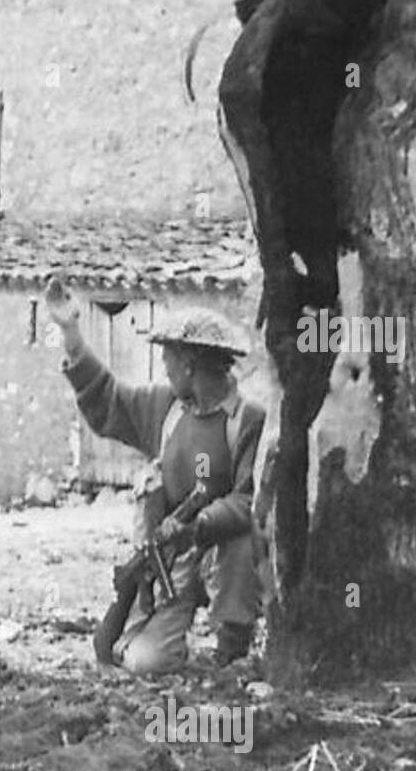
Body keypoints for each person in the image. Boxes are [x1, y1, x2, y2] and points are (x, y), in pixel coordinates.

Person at [44, 280, 264, 672]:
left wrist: (201, 524)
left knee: (242, 545)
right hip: (170, 556)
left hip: (219, 553)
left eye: (168, 358)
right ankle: (154, 633)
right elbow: (109, 400)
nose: (164, 366)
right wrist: (71, 334)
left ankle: (232, 649)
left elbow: (251, 500)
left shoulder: (249, 419)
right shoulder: (166, 407)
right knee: (143, 661)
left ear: (189, 365)